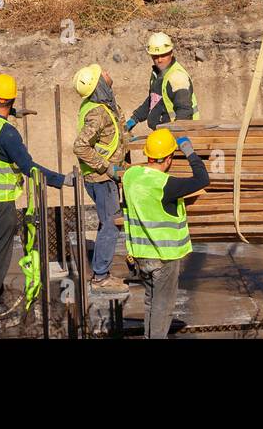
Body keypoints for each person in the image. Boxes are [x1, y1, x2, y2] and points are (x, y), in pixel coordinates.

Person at [0, 72, 70, 328]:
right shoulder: (8, 135)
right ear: (11, 100)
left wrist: (13, 112)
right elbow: (29, 168)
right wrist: (62, 180)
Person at [122, 128, 209, 339]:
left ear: (148, 155)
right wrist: (188, 150)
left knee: (151, 303)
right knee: (162, 309)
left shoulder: (131, 176)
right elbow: (202, 179)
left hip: (140, 256)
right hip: (164, 258)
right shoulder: (166, 185)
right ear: (169, 159)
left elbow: (125, 172)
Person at [72, 63, 129, 292]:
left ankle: (100, 269)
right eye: (103, 74)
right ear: (99, 84)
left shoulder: (100, 105)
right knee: (111, 225)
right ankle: (101, 278)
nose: (108, 73)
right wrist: (106, 167)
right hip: (101, 179)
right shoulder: (97, 113)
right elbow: (80, 146)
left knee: (107, 222)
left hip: (102, 178)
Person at [126, 32, 198, 135]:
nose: (159, 60)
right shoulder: (159, 74)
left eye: (163, 55)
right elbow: (154, 100)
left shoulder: (177, 77)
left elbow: (184, 112)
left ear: (171, 52)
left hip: (178, 134)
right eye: (155, 56)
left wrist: (177, 135)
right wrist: (135, 118)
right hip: (164, 132)